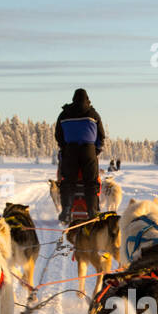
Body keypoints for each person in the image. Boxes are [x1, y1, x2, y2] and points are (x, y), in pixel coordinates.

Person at [54, 87, 105, 224]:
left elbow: (58, 135)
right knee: (91, 182)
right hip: (89, 150)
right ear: (87, 99)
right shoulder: (93, 113)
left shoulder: (64, 114)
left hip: (70, 150)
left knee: (68, 182)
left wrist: (64, 147)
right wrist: (96, 150)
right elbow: (101, 135)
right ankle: (92, 212)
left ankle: (66, 211)